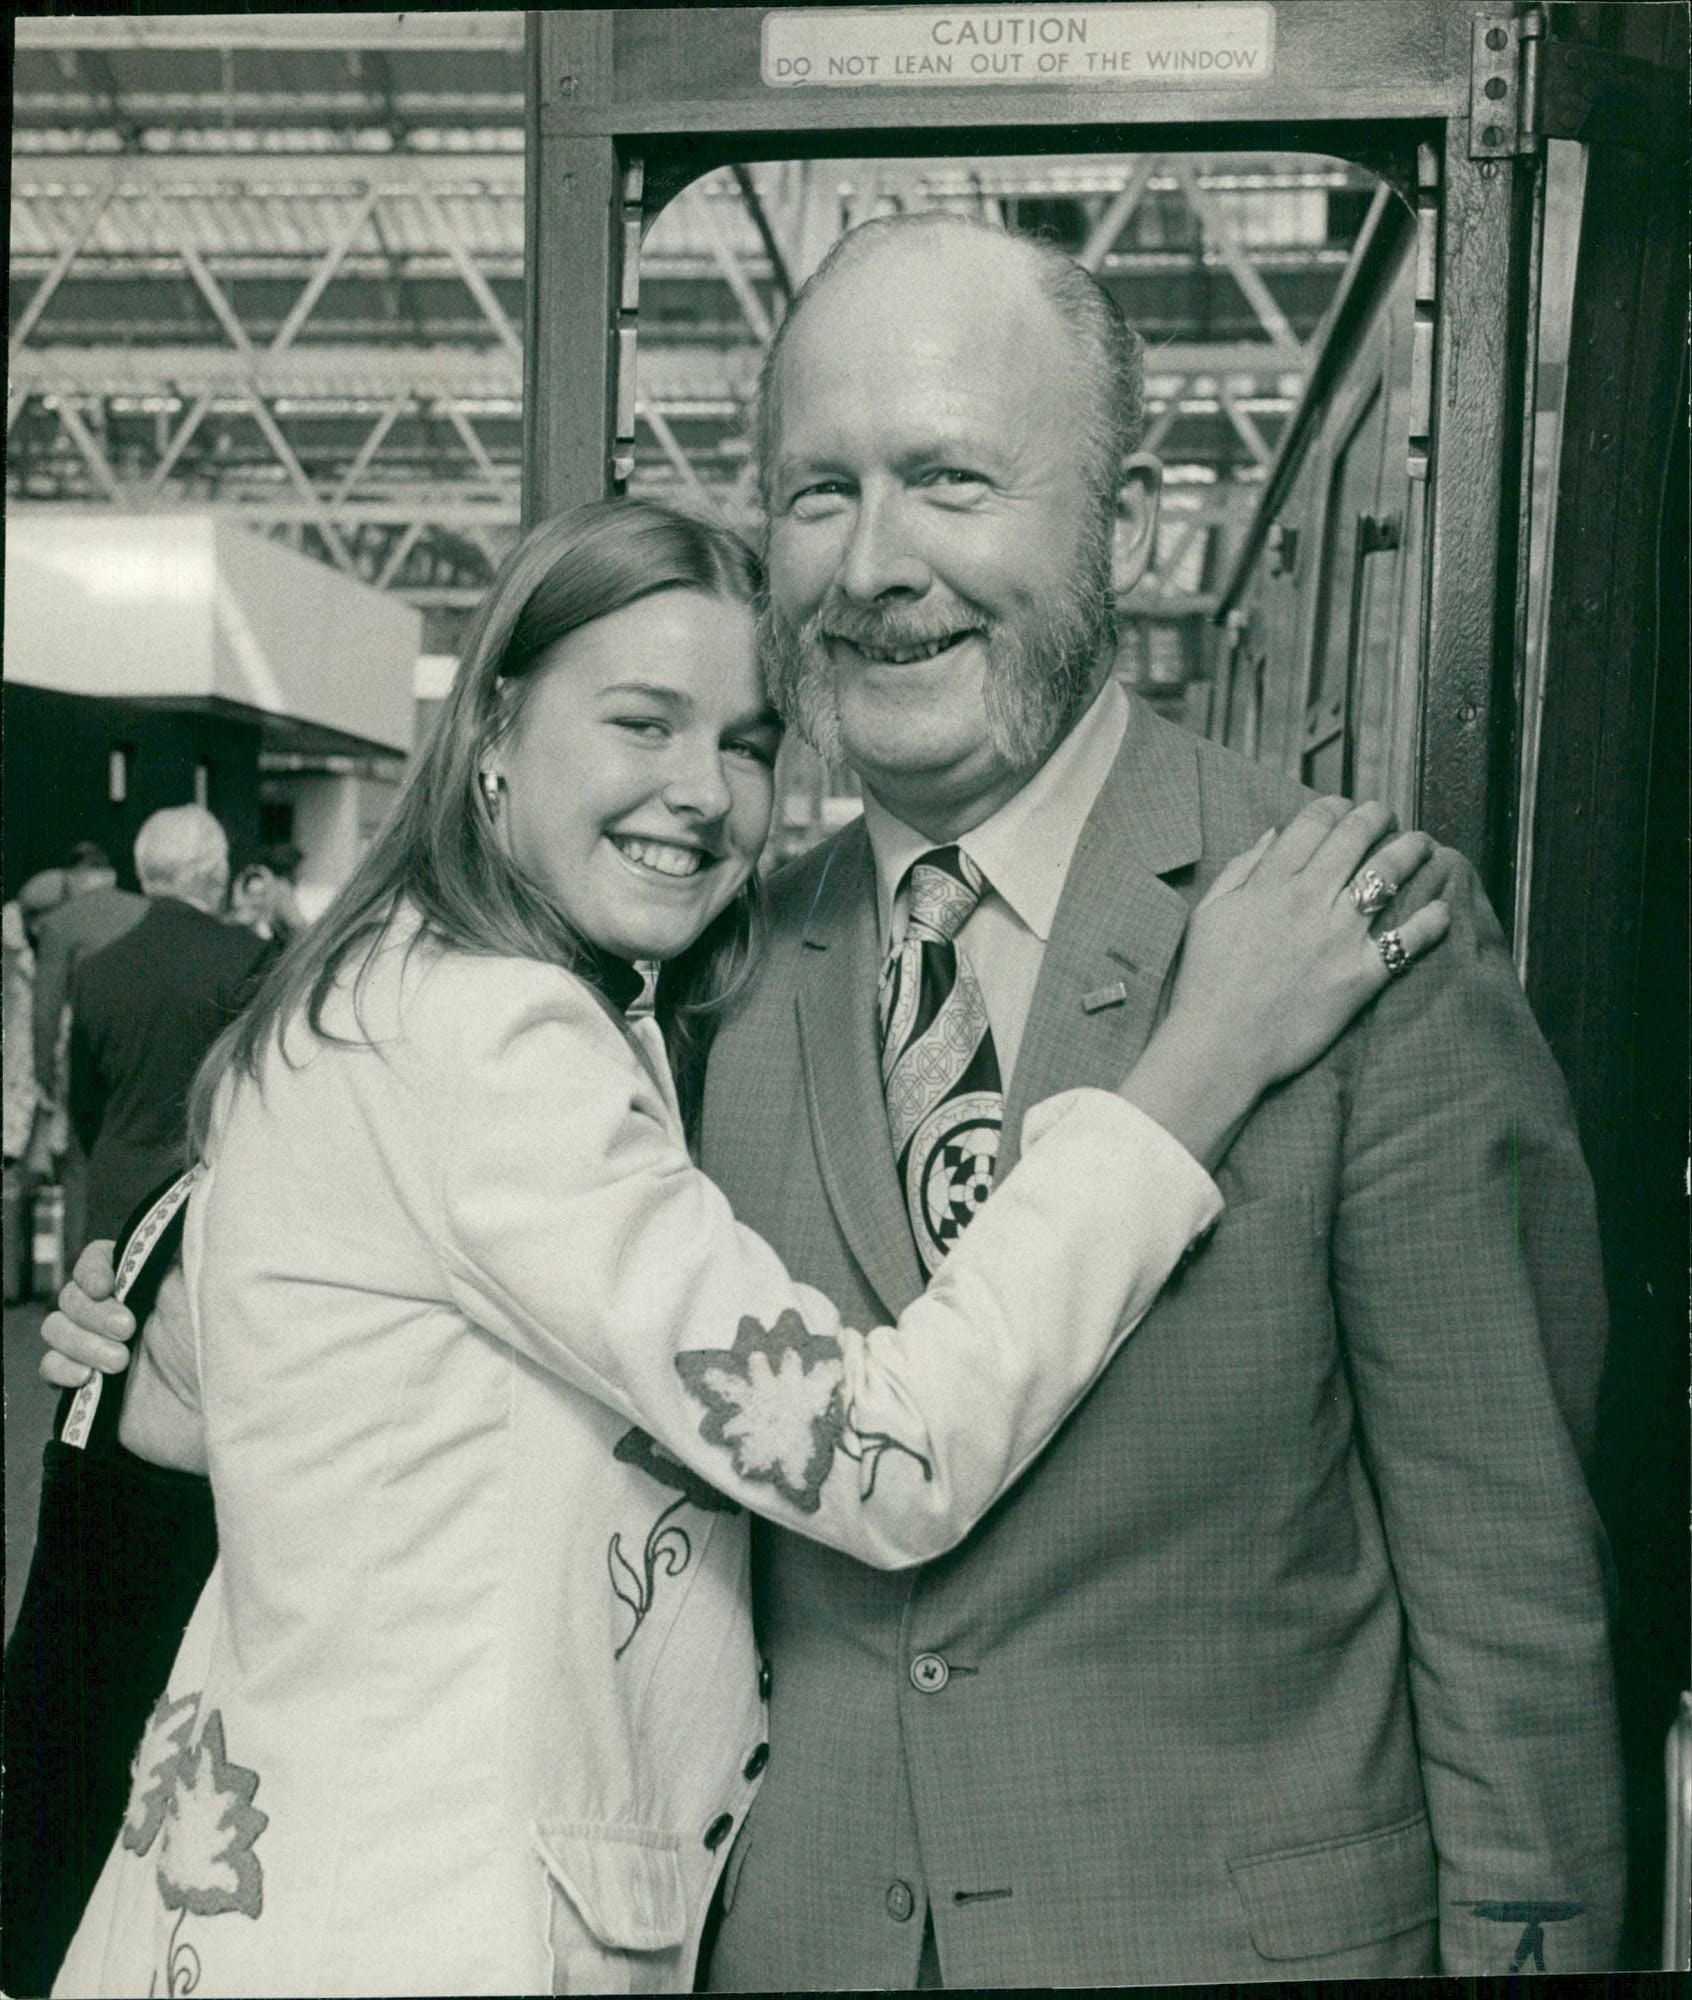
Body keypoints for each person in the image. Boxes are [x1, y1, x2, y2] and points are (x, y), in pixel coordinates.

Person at [35, 497, 1443, 1999]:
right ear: (493, 724)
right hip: (428, 1930)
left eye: (750, 743)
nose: (702, 793)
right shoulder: (489, 1035)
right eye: (643, 723)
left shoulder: (387, 996)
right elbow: (883, 1456)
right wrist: (1201, 1062)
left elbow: (200, 1412)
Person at [681, 212, 1621, 1985]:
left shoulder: (1360, 930)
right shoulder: (716, 968)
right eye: (817, 494)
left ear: (1126, 506)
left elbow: (1507, 1600)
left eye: (951, 481)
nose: (874, 565)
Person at [68, 808, 273, 1244]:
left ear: (144, 875)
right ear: (217, 873)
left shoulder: (97, 970)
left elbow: (85, 1105)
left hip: (117, 1197)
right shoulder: (252, 959)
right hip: (210, 1201)